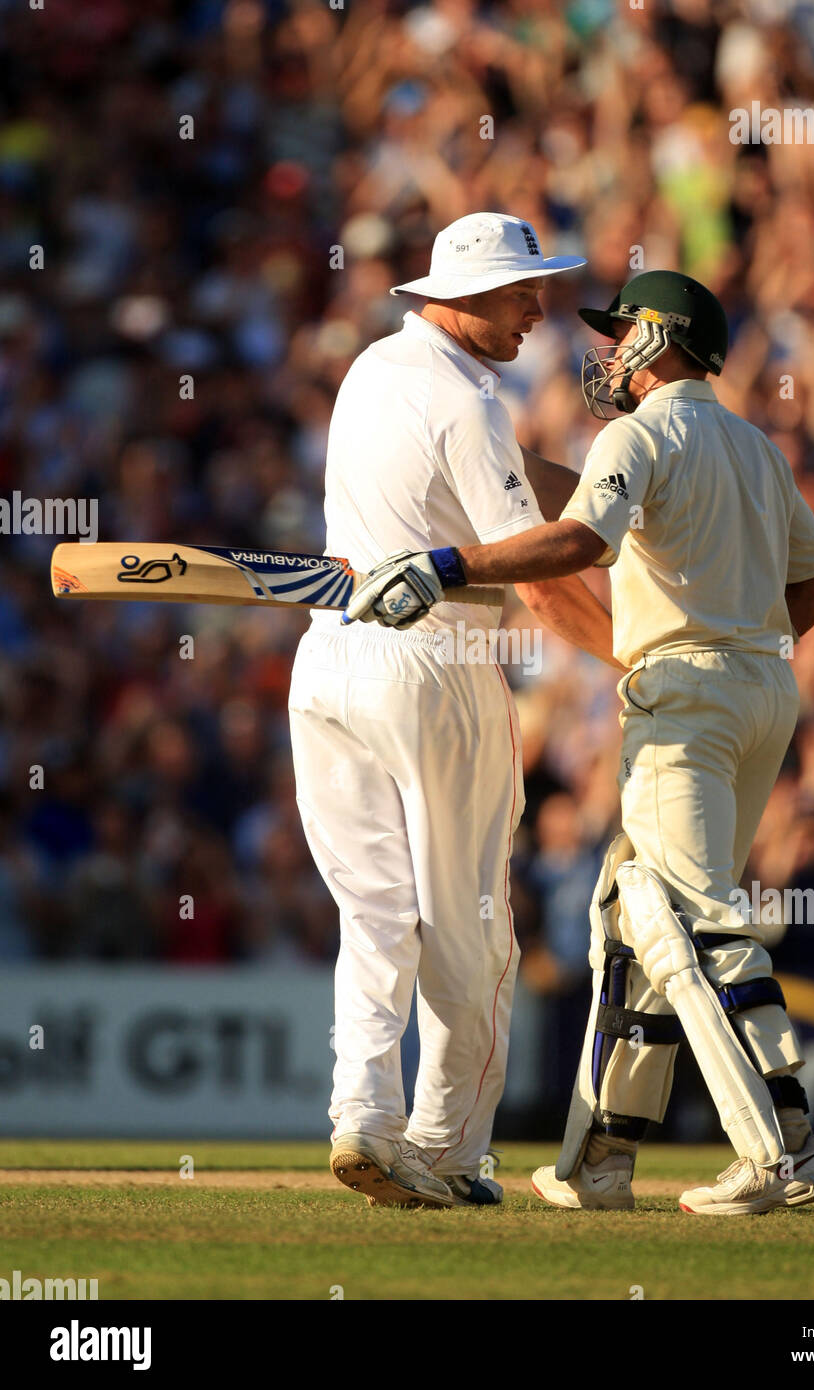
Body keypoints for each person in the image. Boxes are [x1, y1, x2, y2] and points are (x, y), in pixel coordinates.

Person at [346, 269, 814, 1215]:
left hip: (685, 697)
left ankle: (784, 1150)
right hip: (759, 691)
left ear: (662, 342)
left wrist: (446, 561)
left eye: (625, 336)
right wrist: (741, 633)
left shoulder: (639, 432)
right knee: (630, 916)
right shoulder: (754, 446)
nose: (610, 353)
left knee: (693, 922)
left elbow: (579, 545)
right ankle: (600, 1162)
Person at [289, 212, 617, 1209]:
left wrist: (617, 500)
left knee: (375, 913)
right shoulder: (466, 402)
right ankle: (448, 1147)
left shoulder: (373, 374)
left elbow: (514, 487)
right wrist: (631, 655)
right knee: (470, 919)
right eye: (524, 291)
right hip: (440, 659)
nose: (538, 310)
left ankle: (361, 1119)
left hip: (329, 660)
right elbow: (538, 575)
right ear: (466, 297)